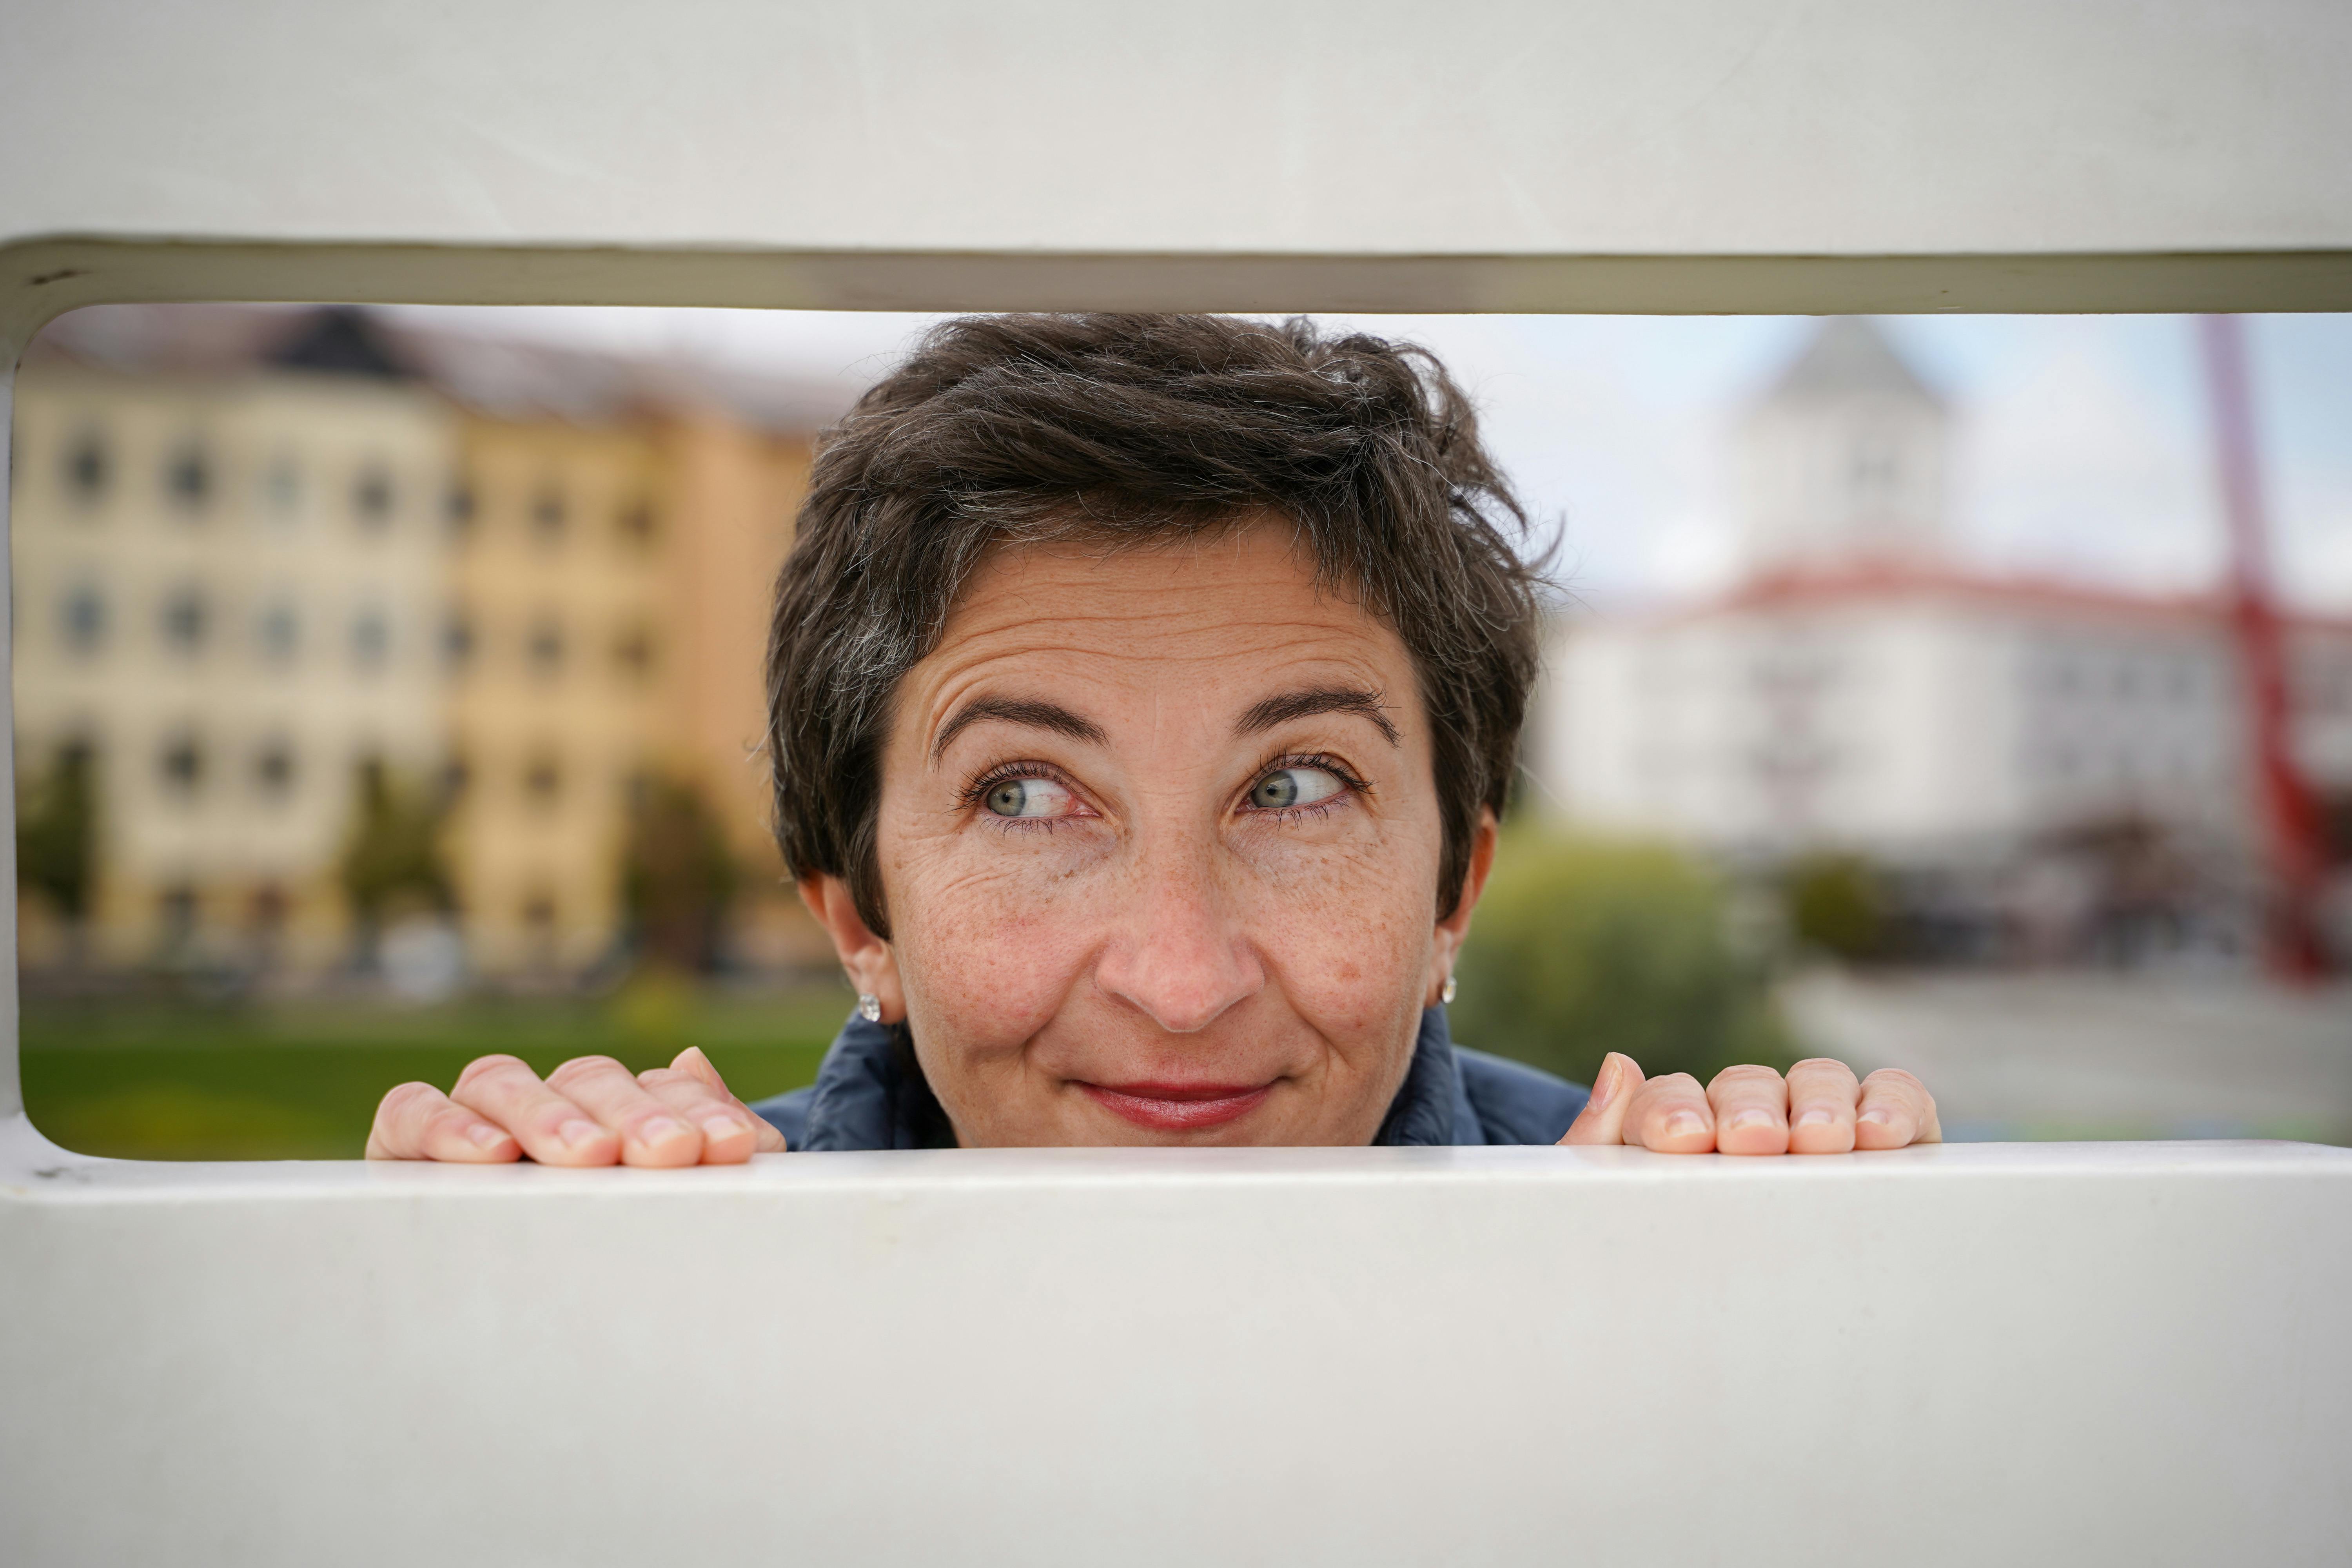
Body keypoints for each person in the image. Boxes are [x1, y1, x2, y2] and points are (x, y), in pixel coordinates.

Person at [366, 314, 1938, 1165]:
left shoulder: (1629, 1210)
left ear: (1454, 891)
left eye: (1300, 785)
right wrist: (479, 1311)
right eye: (1029, 792)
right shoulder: (669, 1245)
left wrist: (1792, 1306)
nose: (1178, 982)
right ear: (861, 918)